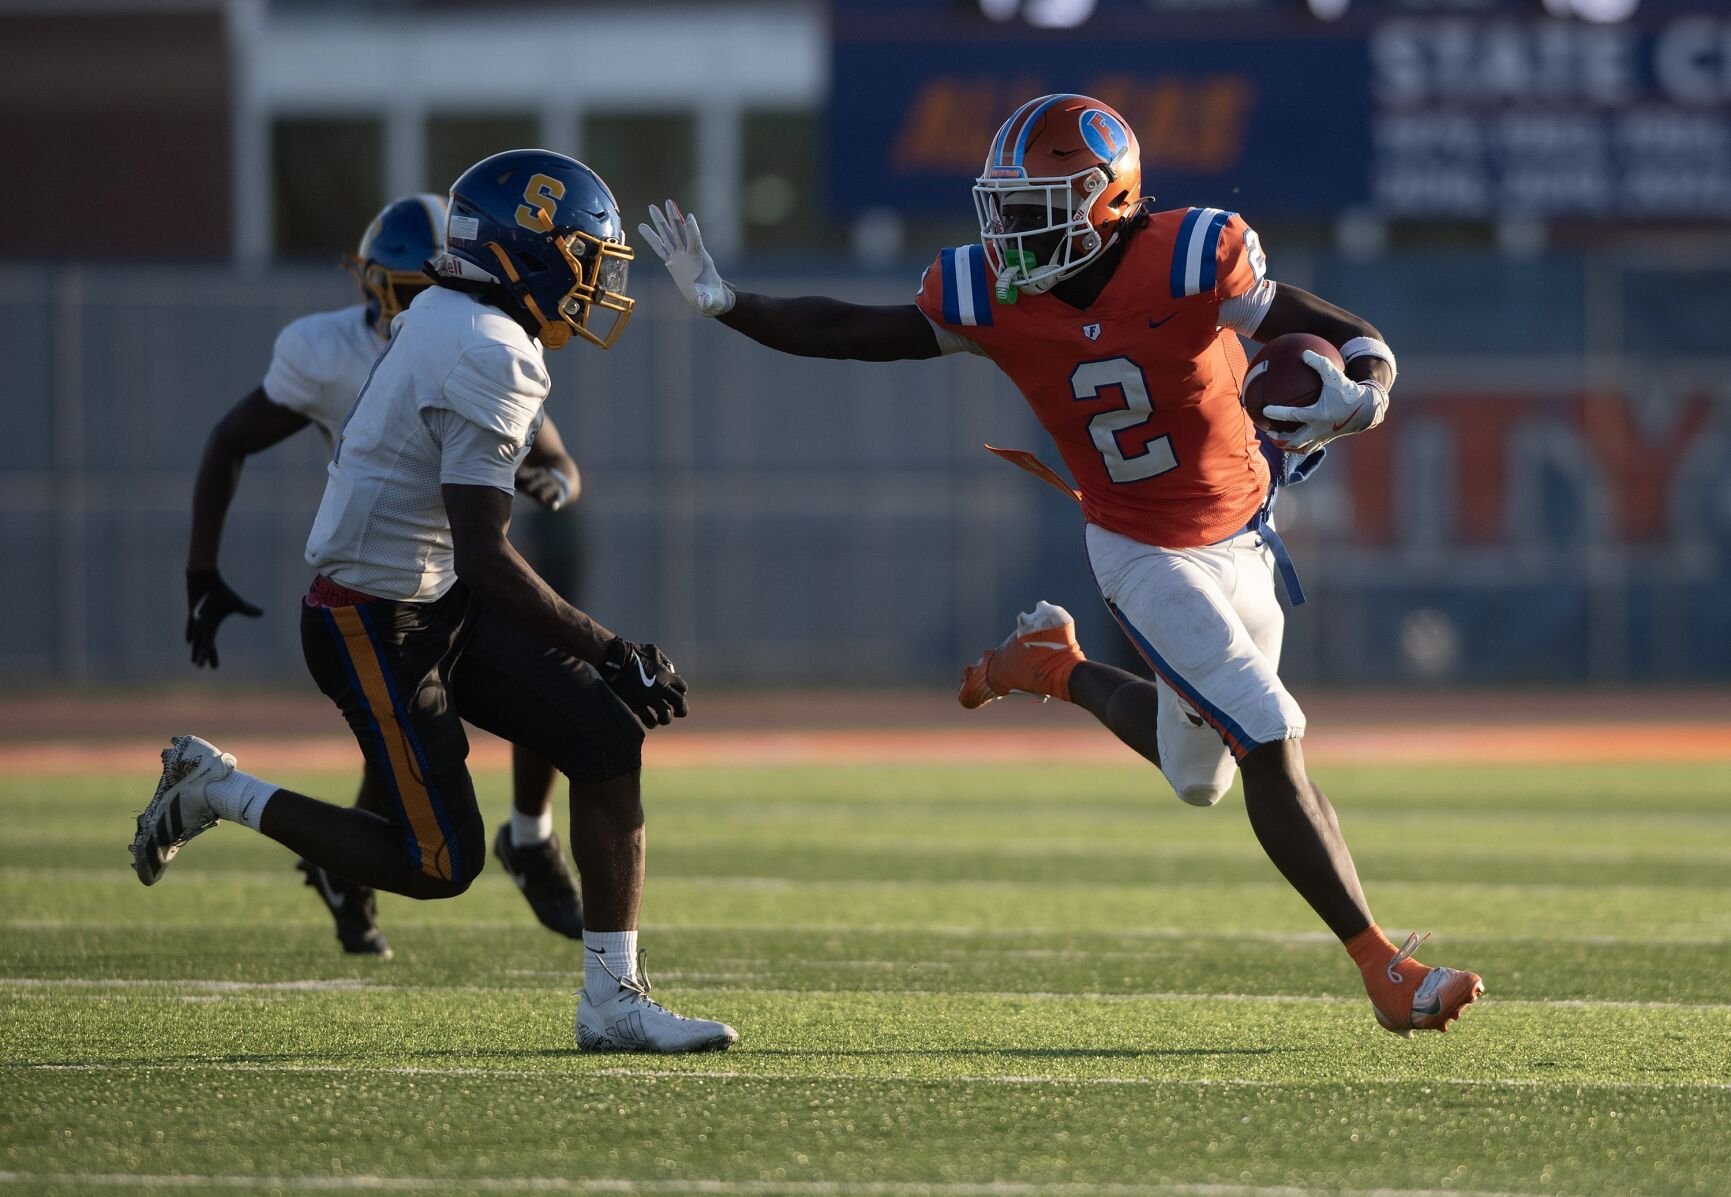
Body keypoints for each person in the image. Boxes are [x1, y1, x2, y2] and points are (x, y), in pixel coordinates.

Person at [638, 94, 1481, 1038]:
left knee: (1195, 772)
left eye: (1033, 209)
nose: (1008, 233)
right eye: (1002, 208)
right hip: (1143, 552)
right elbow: (850, 329)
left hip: (1247, 532)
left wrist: (1366, 396)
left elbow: (1346, 331)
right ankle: (1384, 968)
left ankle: (1052, 666)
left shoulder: (1194, 254)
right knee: (1268, 733)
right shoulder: (987, 293)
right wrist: (727, 303)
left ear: (1105, 202)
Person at [139, 149, 736, 1053]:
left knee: (607, 739)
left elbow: (480, 555)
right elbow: (489, 556)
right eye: (582, 258)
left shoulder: (458, 317)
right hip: (370, 615)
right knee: (439, 862)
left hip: (431, 594)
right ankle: (218, 788)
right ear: (522, 252)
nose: (594, 283)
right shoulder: (485, 347)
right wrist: (614, 649)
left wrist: (604, 663)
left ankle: (612, 1001)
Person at [185, 193, 587, 959]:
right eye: (408, 291)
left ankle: (530, 835)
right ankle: (338, 865)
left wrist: (553, 486)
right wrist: (200, 568)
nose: (425, 304)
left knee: (552, 673)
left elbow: (558, 462)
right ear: (372, 284)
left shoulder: (477, 342)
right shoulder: (331, 350)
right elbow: (230, 439)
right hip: (381, 572)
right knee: (415, 765)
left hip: (453, 565)